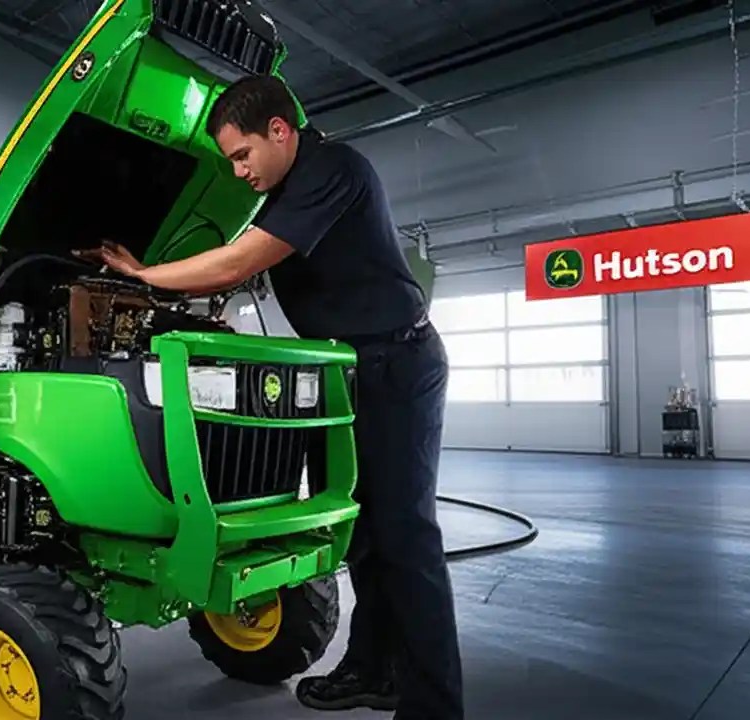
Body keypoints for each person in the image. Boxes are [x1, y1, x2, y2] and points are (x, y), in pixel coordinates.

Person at [76, 75, 462, 720]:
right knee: (364, 533)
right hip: (349, 369)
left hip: (396, 363)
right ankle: (375, 670)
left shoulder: (334, 169)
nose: (237, 171)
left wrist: (145, 275)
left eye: (241, 154)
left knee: (406, 536)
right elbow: (232, 270)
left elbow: (235, 264)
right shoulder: (285, 191)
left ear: (279, 130)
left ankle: (435, 706)